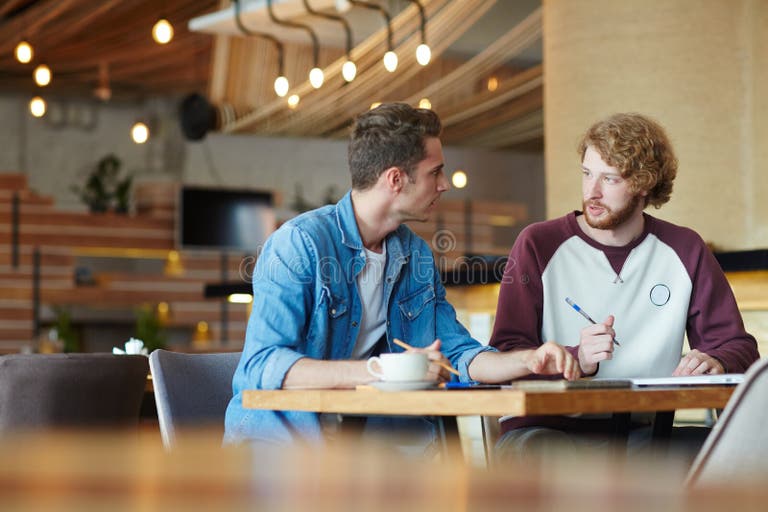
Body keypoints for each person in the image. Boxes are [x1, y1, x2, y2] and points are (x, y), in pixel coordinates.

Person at [224, 103, 580, 447]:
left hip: (364, 450)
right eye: (435, 172)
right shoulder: (300, 244)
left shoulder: (414, 255)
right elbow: (261, 365)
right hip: (281, 445)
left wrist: (528, 359)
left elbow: (459, 353)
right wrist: (386, 371)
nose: (444, 184)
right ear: (395, 179)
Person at [490, 112, 760, 459]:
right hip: (545, 431)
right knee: (543, 457)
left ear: (644, 184)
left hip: (643, 434)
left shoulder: (686, 249)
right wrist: (576, 358)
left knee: (735, 455)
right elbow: (505, 354)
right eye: (587, 173)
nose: (592, 191)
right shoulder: (537, 244)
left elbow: (739, 346)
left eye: (610, 179)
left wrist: (717, 360)